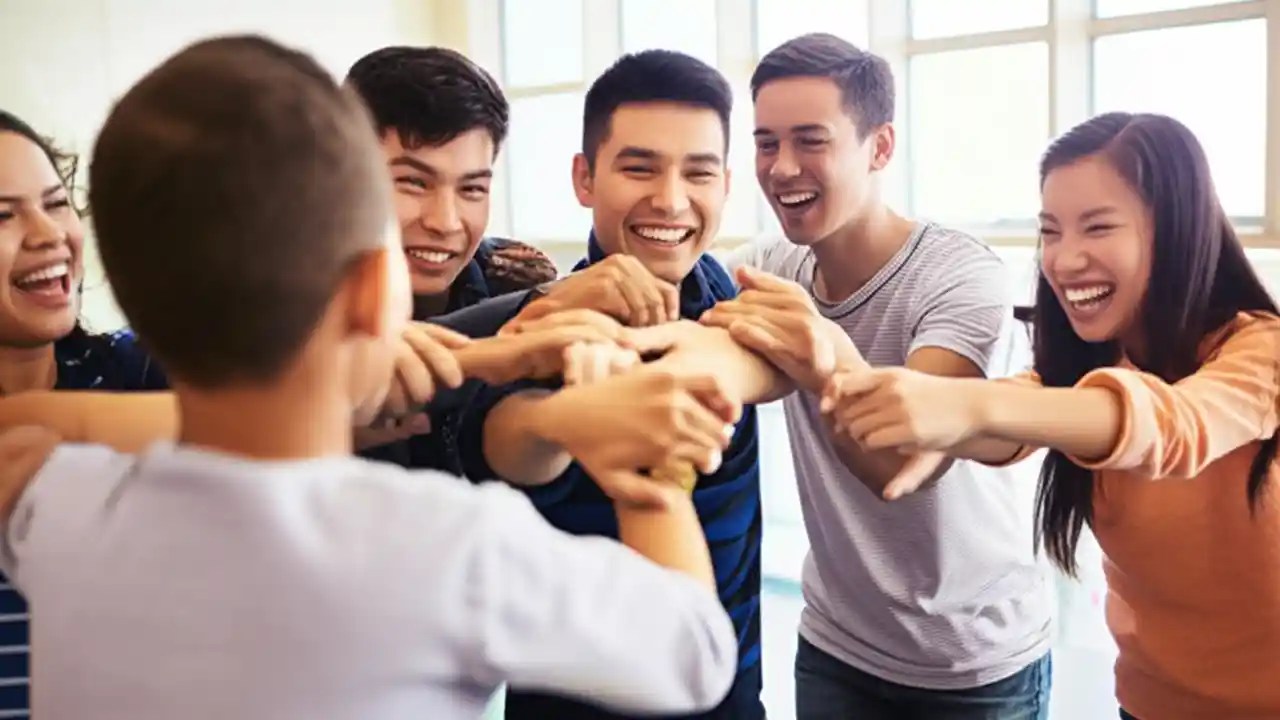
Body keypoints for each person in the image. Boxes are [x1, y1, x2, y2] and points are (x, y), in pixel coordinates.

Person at [0, 35, 743, 719]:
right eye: (404, 200)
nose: (444, 224)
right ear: (367, 290)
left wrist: (449, 362)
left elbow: (25, 425)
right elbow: (693, 657)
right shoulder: (452, 548)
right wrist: (646, 474)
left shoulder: (58, 508)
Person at [823, 111, 1280, 720]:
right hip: (1150, 705)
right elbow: (1006, 426)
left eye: (1097, 228)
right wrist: (912, 414)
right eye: (1050, 232)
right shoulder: (1083, 367)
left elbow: (1174, 427)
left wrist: (966, 405)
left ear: (1175, 230)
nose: (1063, 262)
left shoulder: (1261, 353)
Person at [709, 33, 1052, 719]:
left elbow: (902, 466)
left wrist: (823, 350)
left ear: (881, 147)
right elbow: (689, 321)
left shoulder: (960, 276)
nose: (781, 168)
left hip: (972, 661)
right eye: (765, 143)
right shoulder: (770, 267)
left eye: (810, 141)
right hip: (838, 645)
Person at [458, 50, 790, 720]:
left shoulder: (725, 291)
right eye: (639, 168)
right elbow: (510, 445)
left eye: (698, 173)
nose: (670, 200)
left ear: (725, 185)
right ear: (585, 177)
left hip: (732, 695)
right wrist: (566, 418)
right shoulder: (546, 326)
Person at [0, 108, 171, 719]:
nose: (48, 234)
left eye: (56, 202)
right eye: (2, 215)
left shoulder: (134, 370)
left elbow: (285, 401)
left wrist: (481, 351)